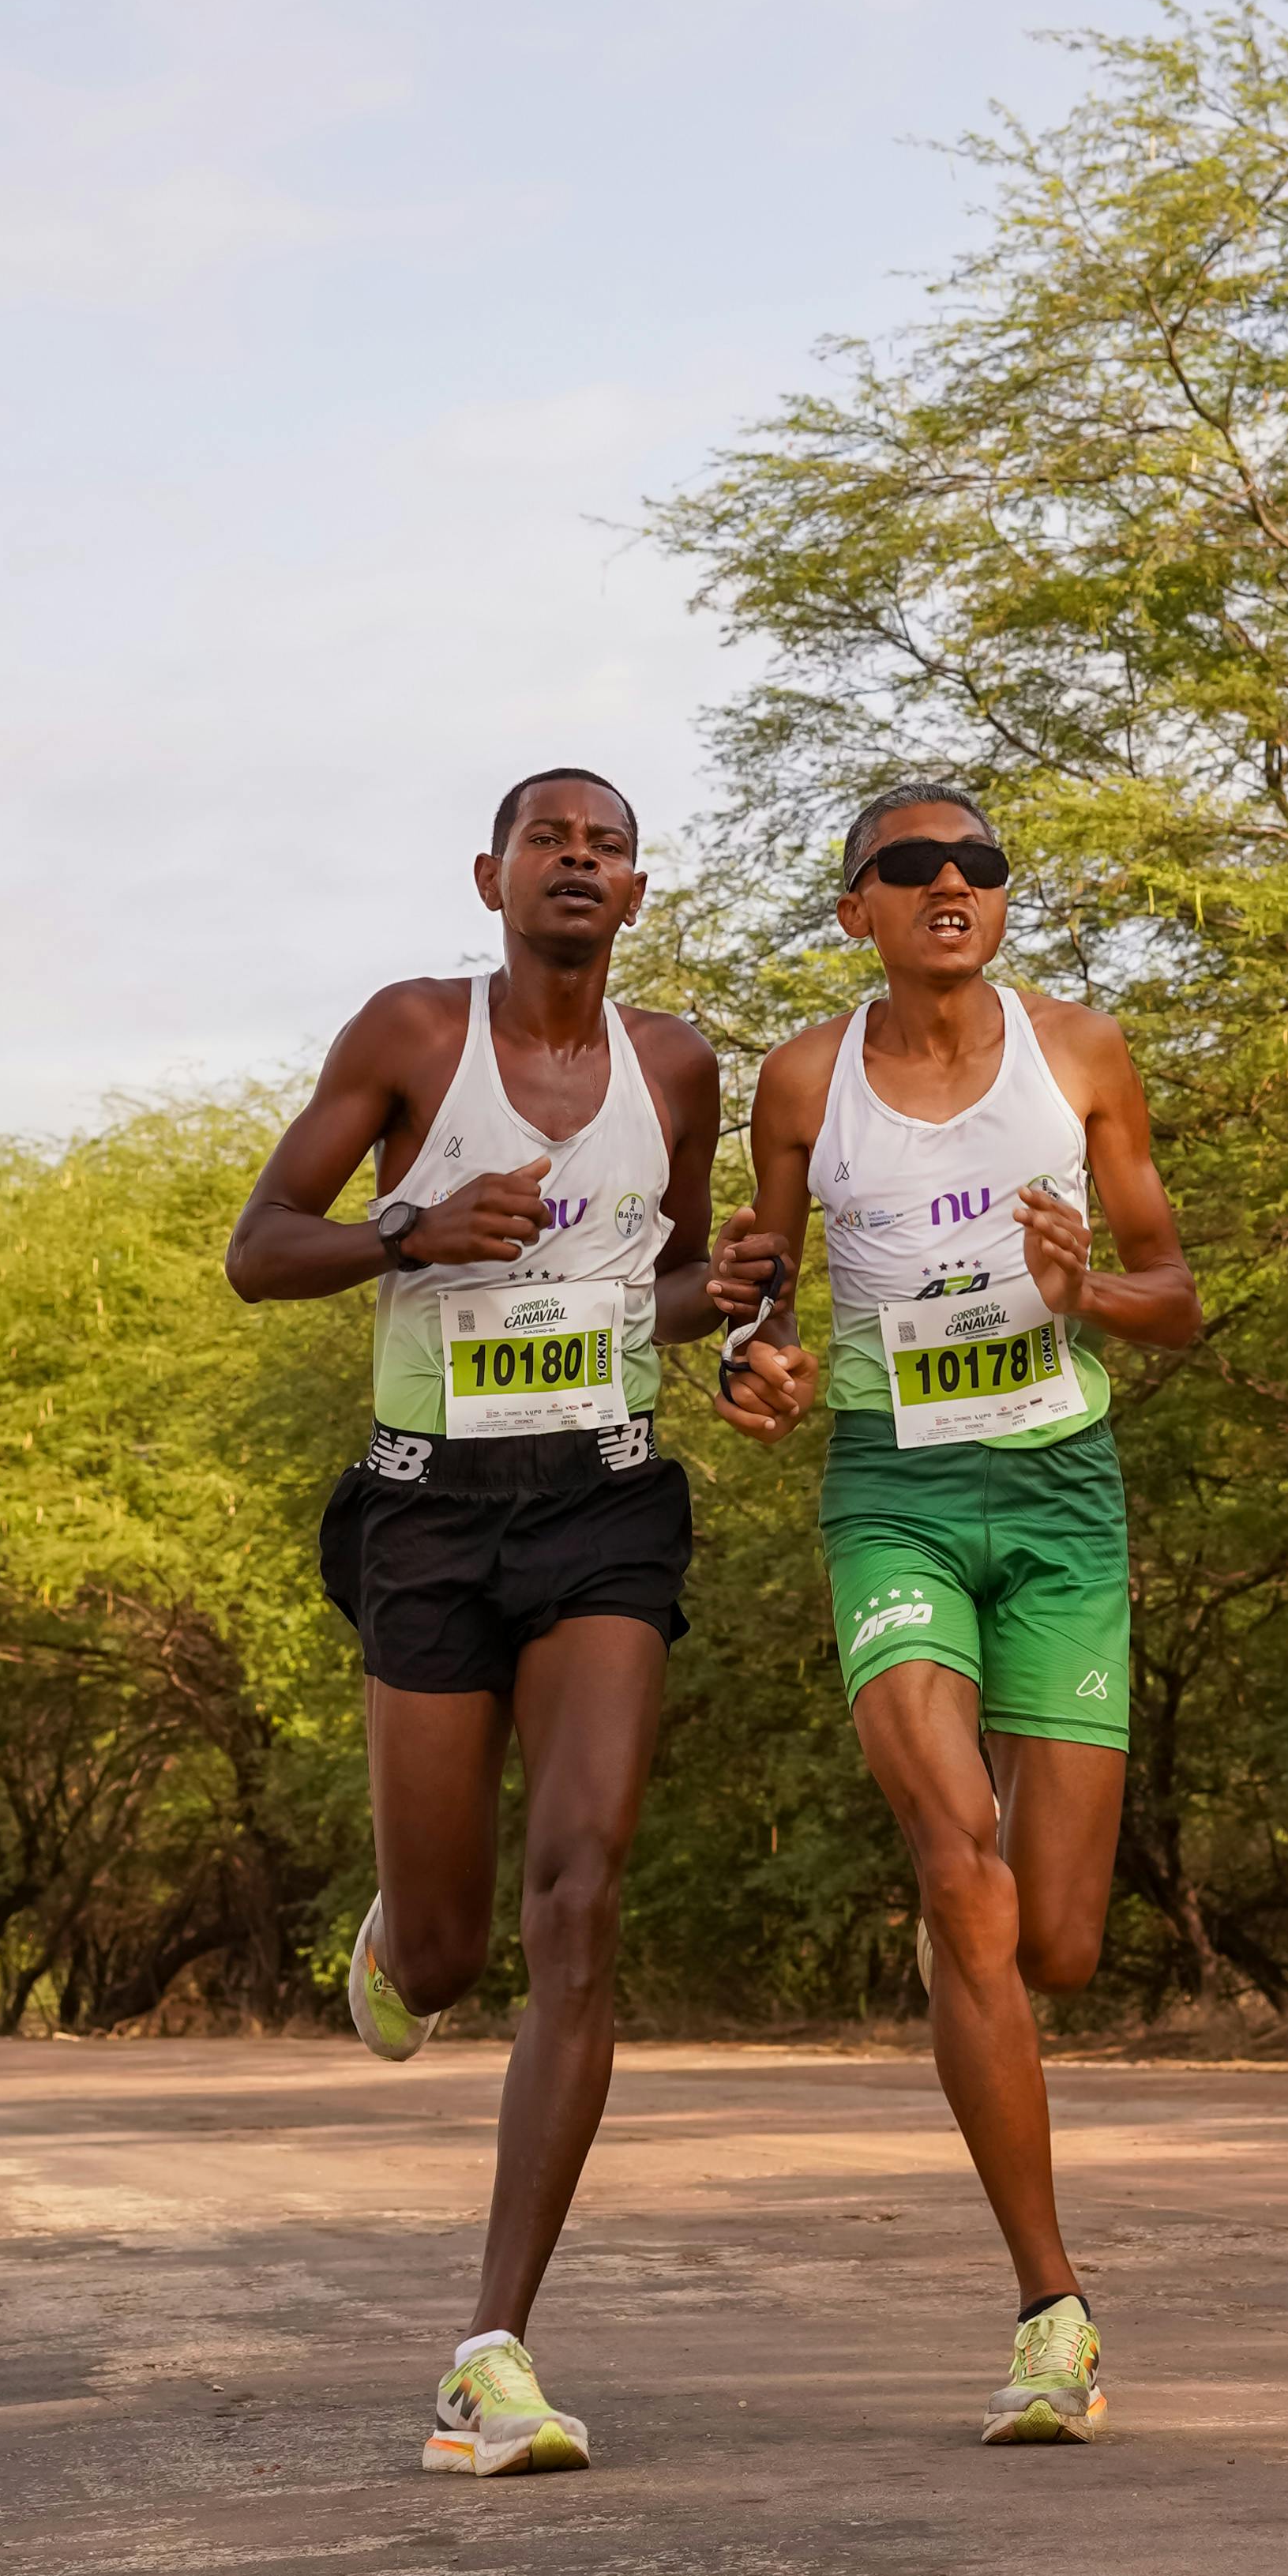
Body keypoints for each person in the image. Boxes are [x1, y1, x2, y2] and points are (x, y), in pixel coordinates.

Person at [227, 768, 790, 2479]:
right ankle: (400, 1934)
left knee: (581, 1893)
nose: (577, 861)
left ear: (636, 894)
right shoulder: (413, 1031)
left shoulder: (674, 1064)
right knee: (452, 1955)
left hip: (603, 1502)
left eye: (607, 845)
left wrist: (733, 1307)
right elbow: (260, 1248)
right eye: (549, 838)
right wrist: (405, 1231)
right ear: (492, 876)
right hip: (427, 1511)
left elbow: (656, 1288)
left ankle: (492, 2348)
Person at [707, 779, 1200, 2446]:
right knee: (959, 1870)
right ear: (854, 907)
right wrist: (756, 1363)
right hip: (893, 1493)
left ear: (1000, 896)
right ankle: (1050, 2307)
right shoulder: (803, 1081)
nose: (948, 883)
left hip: (1061, 1499)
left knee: (1052, 1940)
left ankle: (975, 1941)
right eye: (908, 866)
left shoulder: (1081, 1056)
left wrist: (1086, 1288)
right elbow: (763, 1294)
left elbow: (1176, 1297)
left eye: (976, 864)